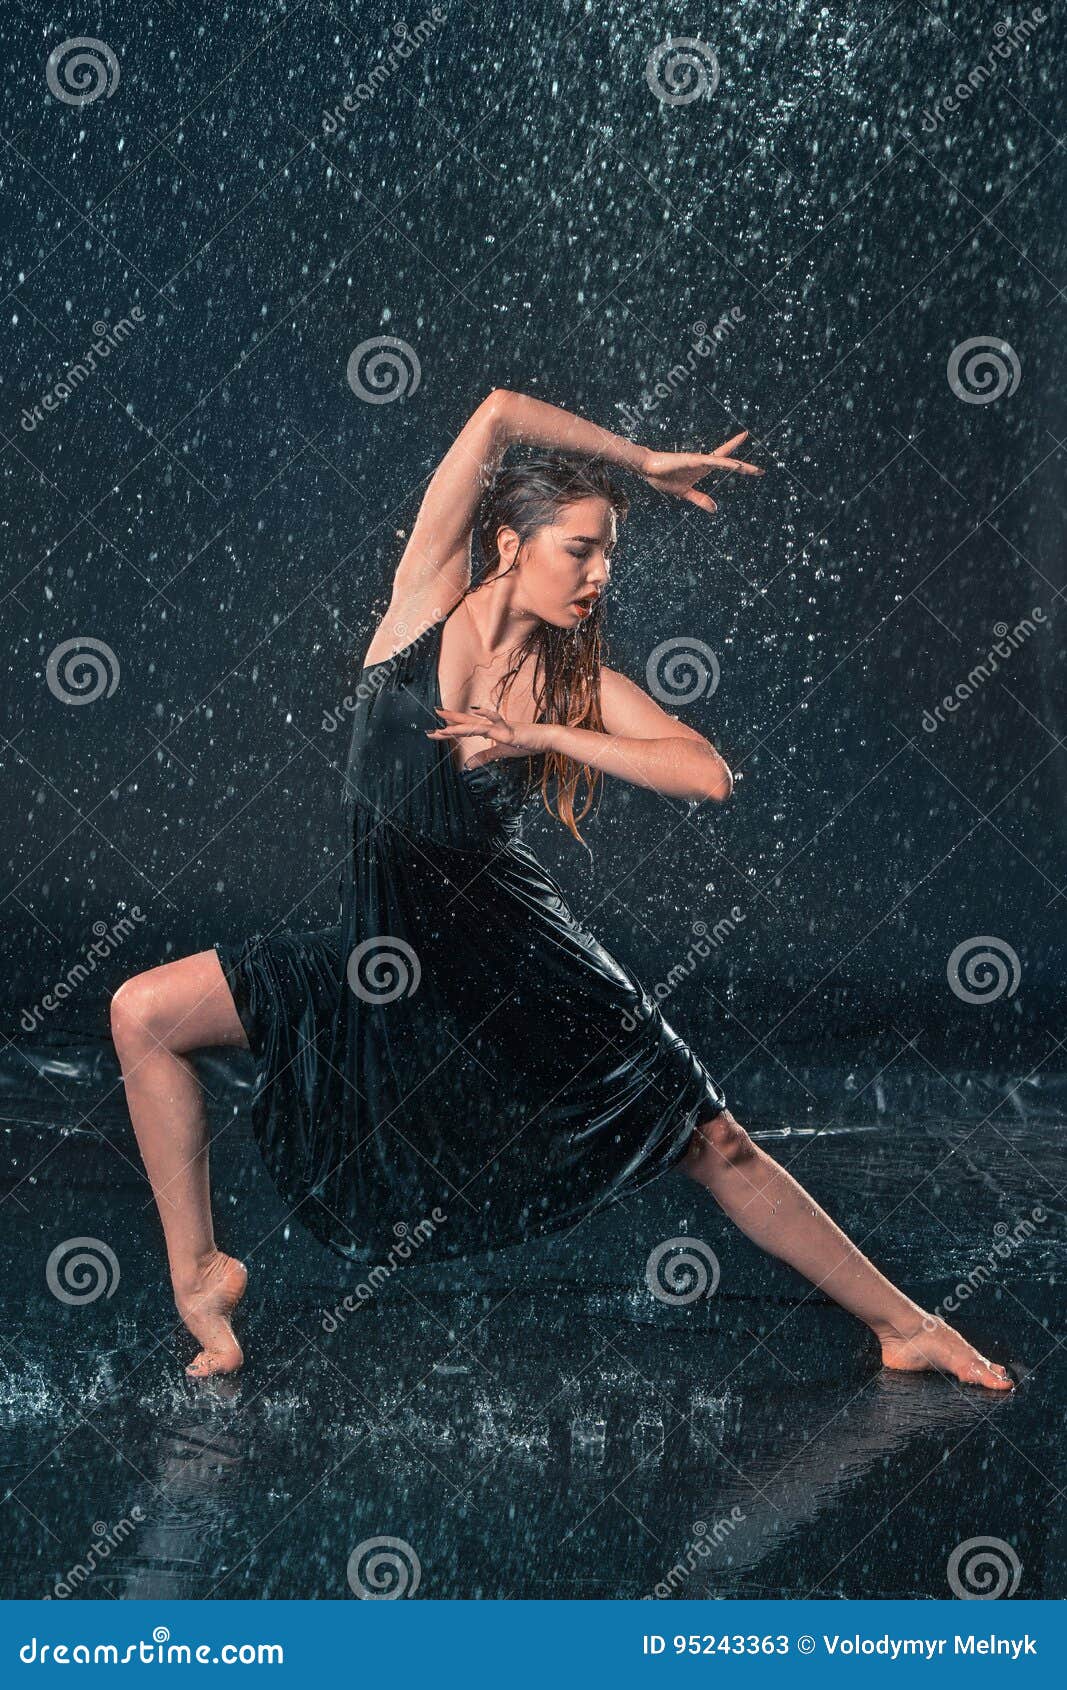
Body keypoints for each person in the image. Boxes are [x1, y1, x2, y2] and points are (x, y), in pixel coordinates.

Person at [109, 388, 1013, 1390]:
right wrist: (641, 460)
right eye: (578, 547)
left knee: (712, 1140)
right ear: (508, 543)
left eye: (607, 554)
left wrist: (542, 735)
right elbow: (495, 413)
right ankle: (201, 1279)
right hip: (376, 961)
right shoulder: (419, 606)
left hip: (518, 966)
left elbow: (706, 771)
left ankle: (905, 1324)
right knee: (142, 1013)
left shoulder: (567, 689)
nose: (597, 573)